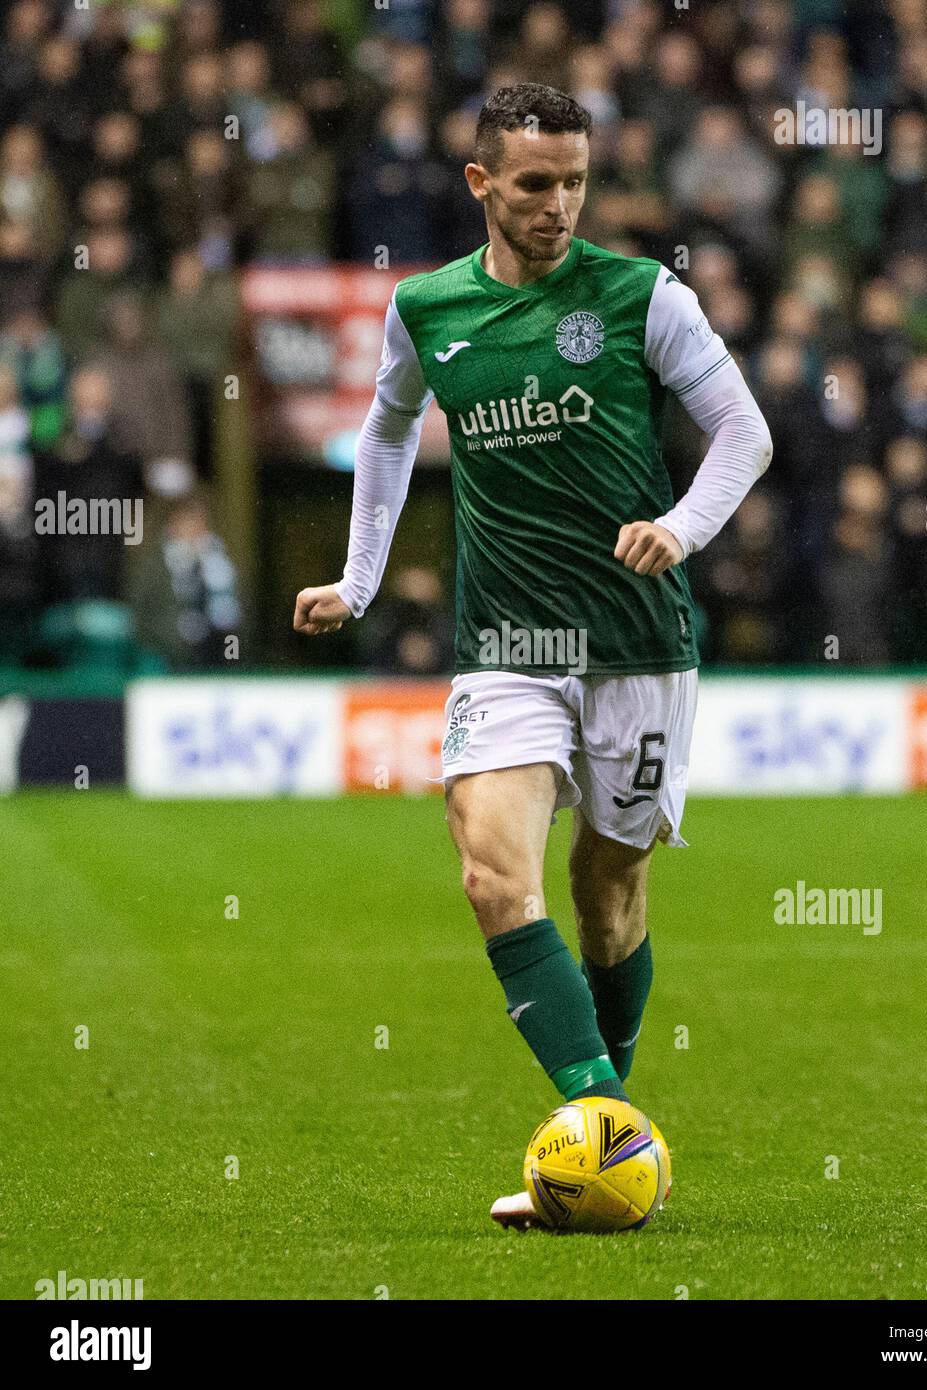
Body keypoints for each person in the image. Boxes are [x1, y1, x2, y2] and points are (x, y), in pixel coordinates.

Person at [292, 84, 772, 1228]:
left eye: (575, 182)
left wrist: (682, 526)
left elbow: (744, 431)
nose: (558, 205)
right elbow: (387, 426)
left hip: (636, 642)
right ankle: (608, 1129)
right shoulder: (428, 308)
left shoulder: (640, 295)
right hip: (505, 642)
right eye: (534, 184)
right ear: (480, 185)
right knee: (489, 875)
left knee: (608, 892)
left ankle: (595, 1142)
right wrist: (359, 581)